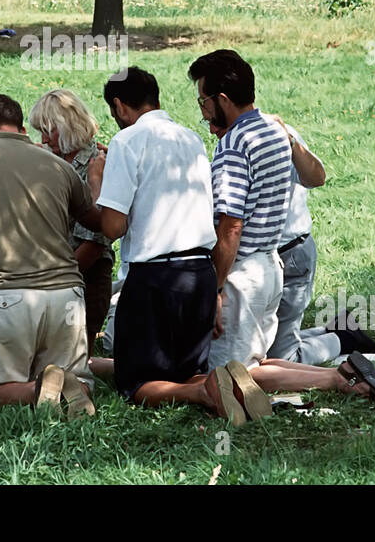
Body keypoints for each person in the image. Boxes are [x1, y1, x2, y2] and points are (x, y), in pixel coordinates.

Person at [191, 49, 375, 404]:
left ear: (223, 99)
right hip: (271, 265)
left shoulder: (234, 146)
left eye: (204, 102)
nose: (203, 112)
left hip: (244, 273)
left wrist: (216, 289)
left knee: (232, 376)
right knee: (263, 360)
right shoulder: (274, 131)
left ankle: (337, 379)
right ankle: (343, 372)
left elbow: (231, 226)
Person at [91, 66, 263, 419]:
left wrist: (97, 181)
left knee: (136, 383)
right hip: (200, 273)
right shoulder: (191, 138)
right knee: (183, 369)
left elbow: (112, 227)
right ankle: (215, 383)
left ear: (120, 107)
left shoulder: (127, 141)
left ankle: (205, 392)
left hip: (155, 277)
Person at [0, 95, 103, 414]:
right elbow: (99, 223)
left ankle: (38, 390)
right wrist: (98, 180)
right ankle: (69, 387)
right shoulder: (60, 165)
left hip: (3, 296)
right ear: (20, 127)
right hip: (66, 295)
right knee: (78, 378)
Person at [29, 90, 114, 351]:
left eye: (49, 130)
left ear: (68, 127)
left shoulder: (99, 163)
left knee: (72, 355)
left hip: (86, 275)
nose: (43, 138)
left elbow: (96, 240)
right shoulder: (47, 159)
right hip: (52, 271)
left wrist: (53, 282)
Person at [264, 115, 346, 364]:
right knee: (258, 348)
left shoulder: (277, 133)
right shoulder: (229, 141)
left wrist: (288, 141)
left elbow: (317, 178)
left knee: (281, 358)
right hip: (258, 260)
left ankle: (344, 339)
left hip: (290, 255)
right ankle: (330, 330)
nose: (209, 124)